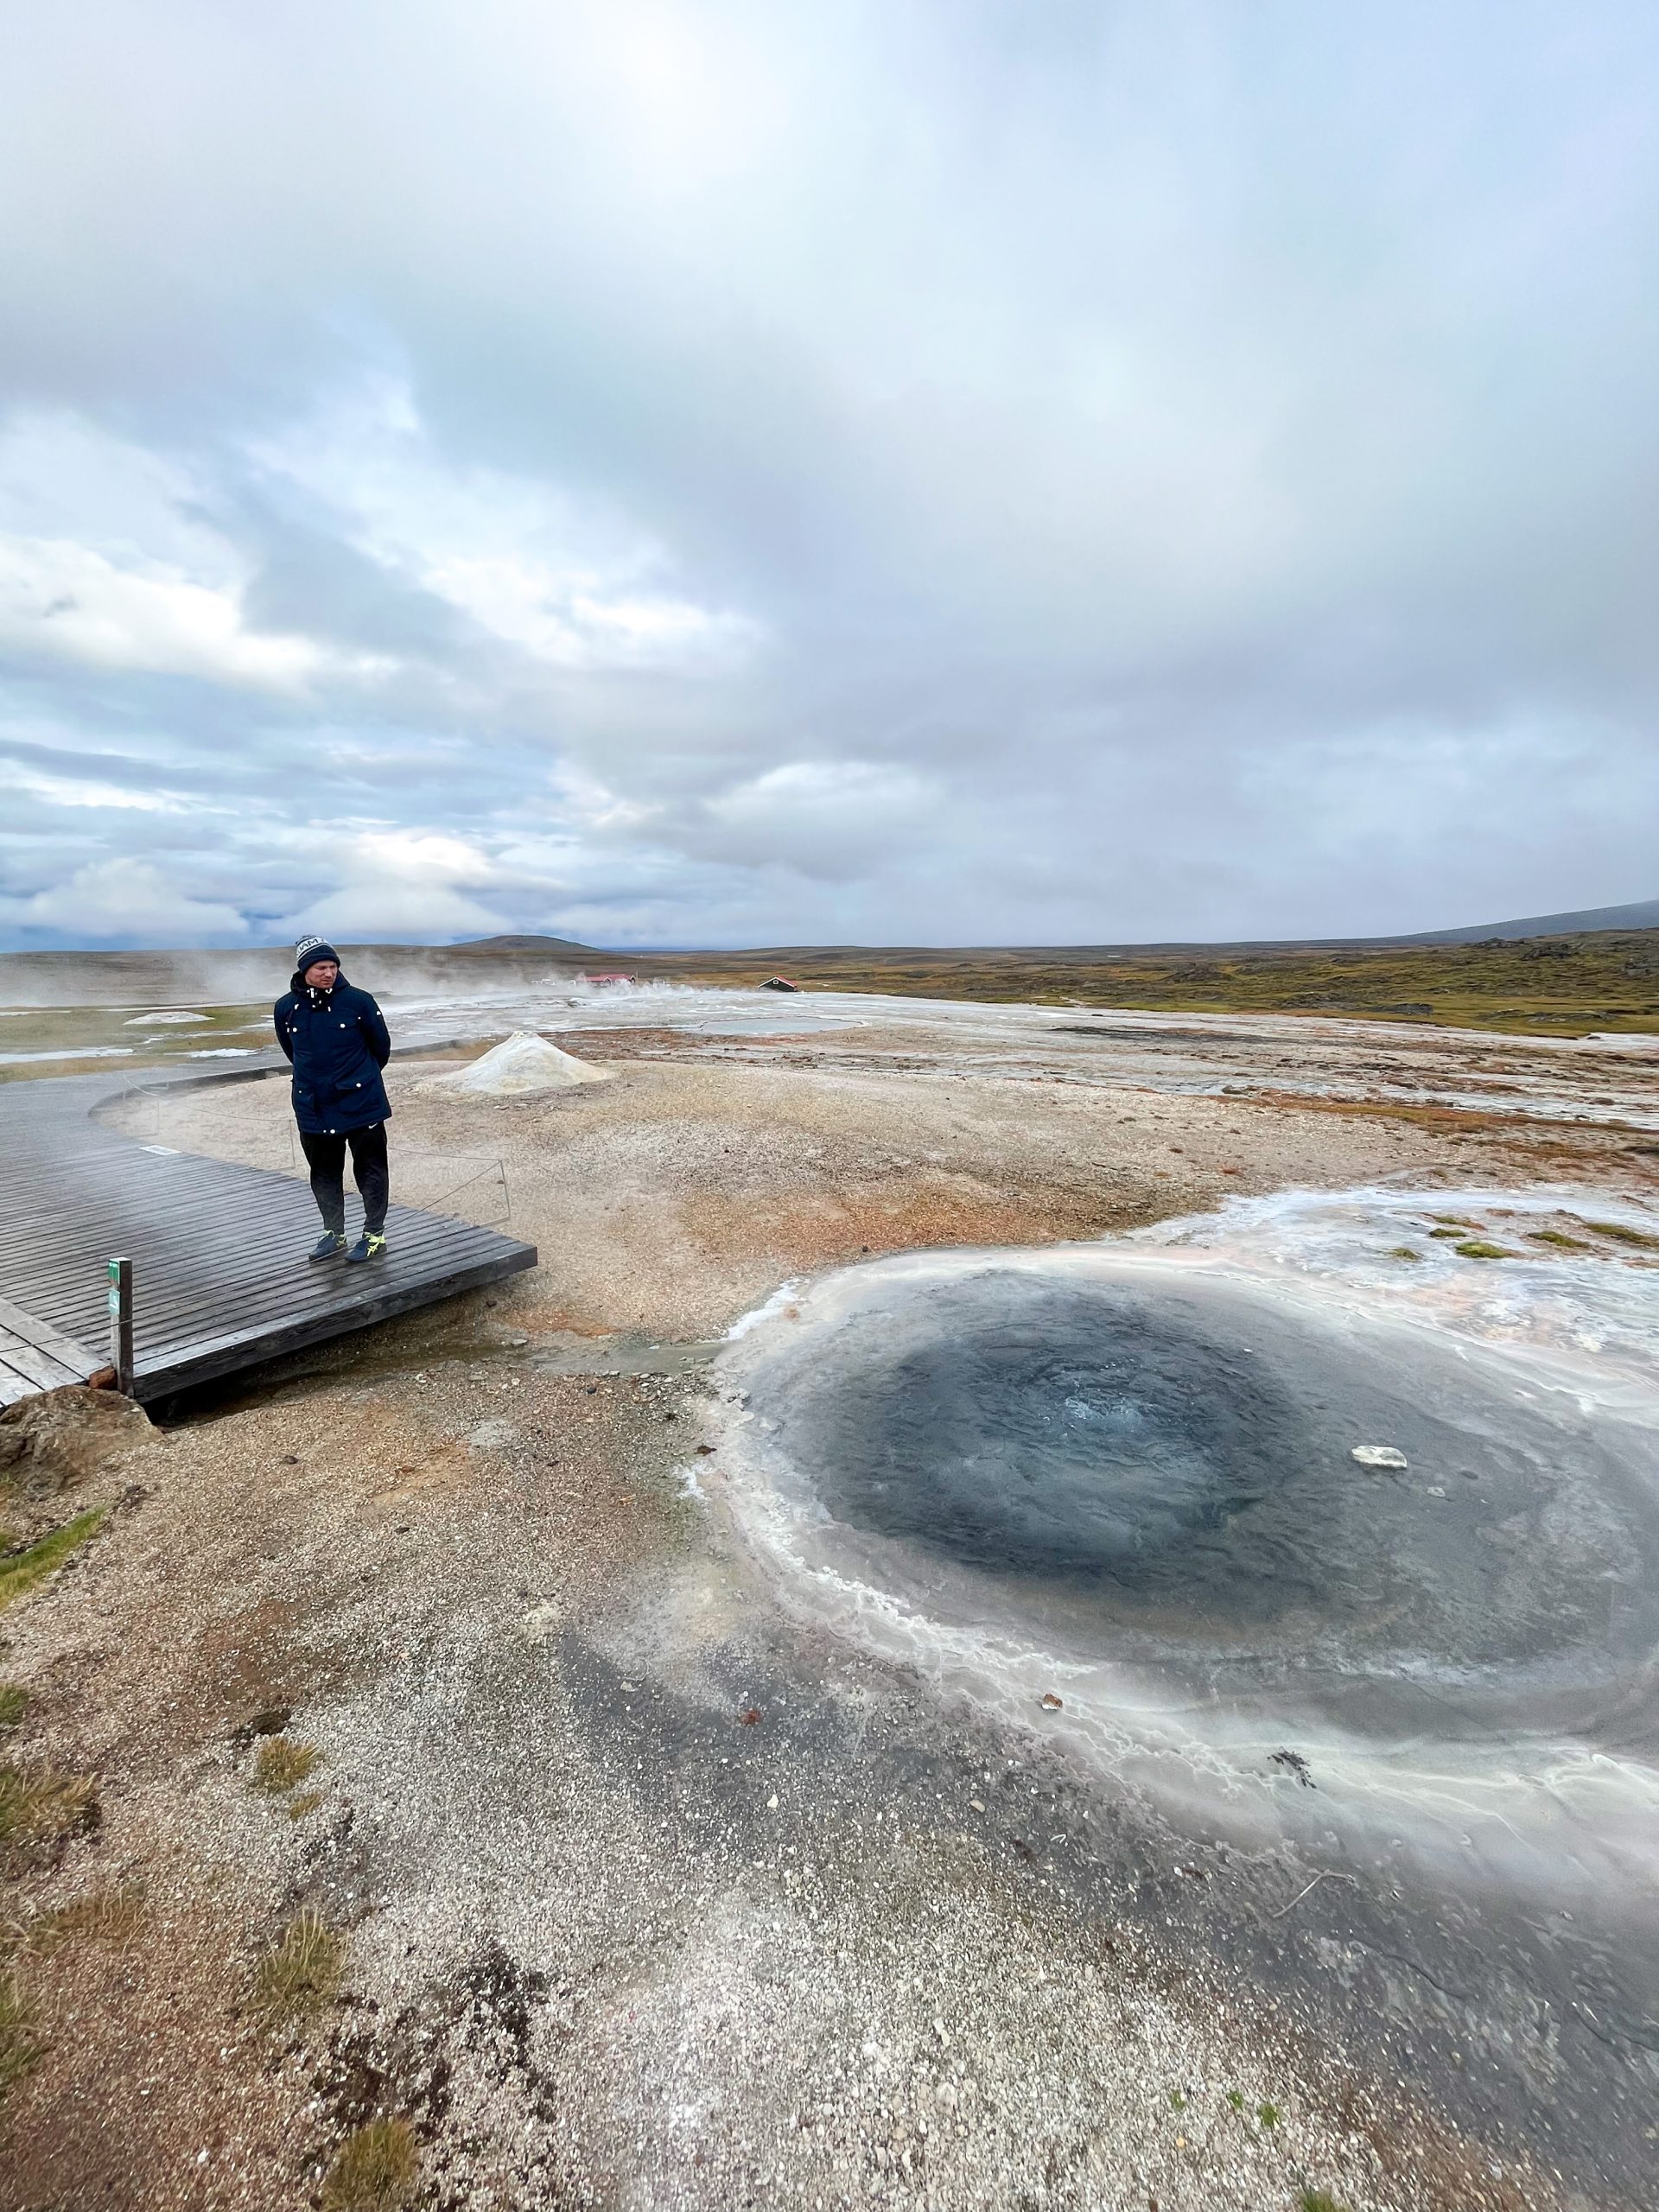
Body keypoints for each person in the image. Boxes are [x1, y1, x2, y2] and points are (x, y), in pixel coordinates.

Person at [273, 936, 393, 1263]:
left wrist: (356, 1079)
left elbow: (380, 1048)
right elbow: (291, 1051)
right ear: (305, 970)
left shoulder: (359, 1002)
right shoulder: (286, 1007)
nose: (329, 973)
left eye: (333, 966)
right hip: (313, 1104)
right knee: (323, 1171)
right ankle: (334, 1233)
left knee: (370, 1170)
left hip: (360, 1101)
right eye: (321, 967)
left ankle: (373, 1235)